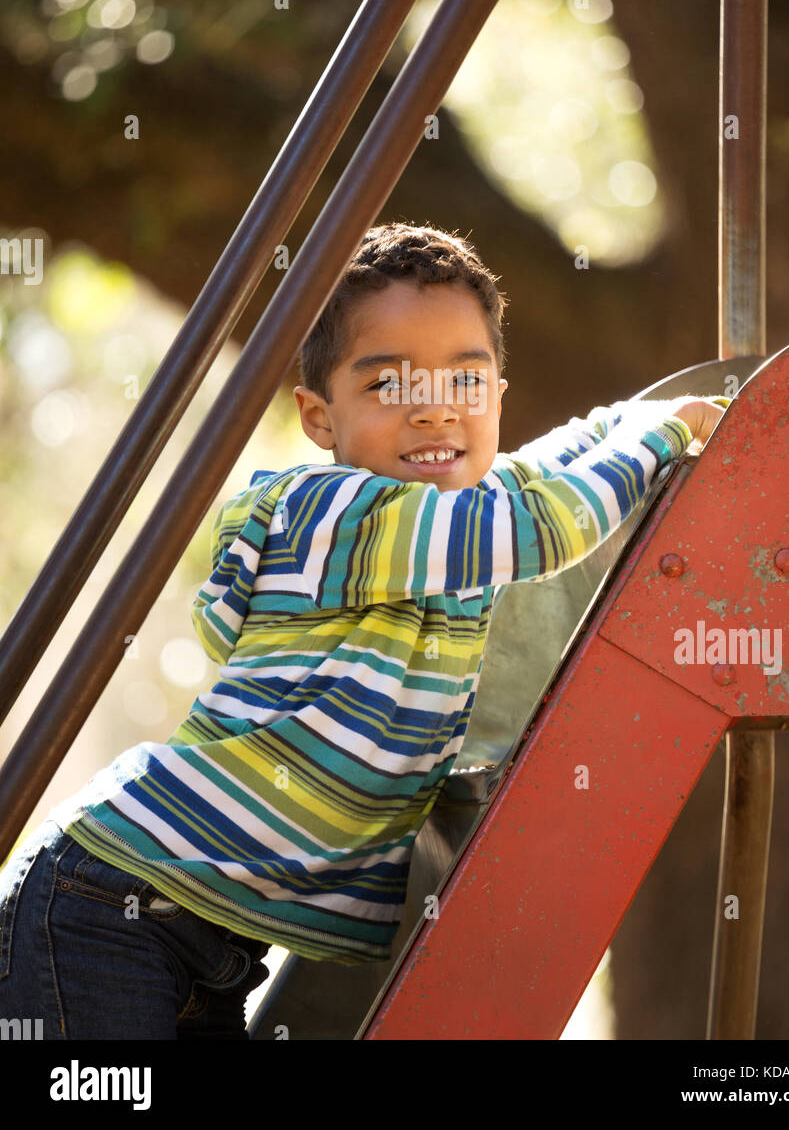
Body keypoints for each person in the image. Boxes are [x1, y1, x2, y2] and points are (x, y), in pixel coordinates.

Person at [0, 222, 728, 1039]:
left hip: (203, 939)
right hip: (108, 906)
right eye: (388, 384)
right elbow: (538, 525)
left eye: (466, 380)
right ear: (319, 418)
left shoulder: (441, 517)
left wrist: (638, 420)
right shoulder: (340, 512)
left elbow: (538, 470)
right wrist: (663, 435)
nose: (432, 411)